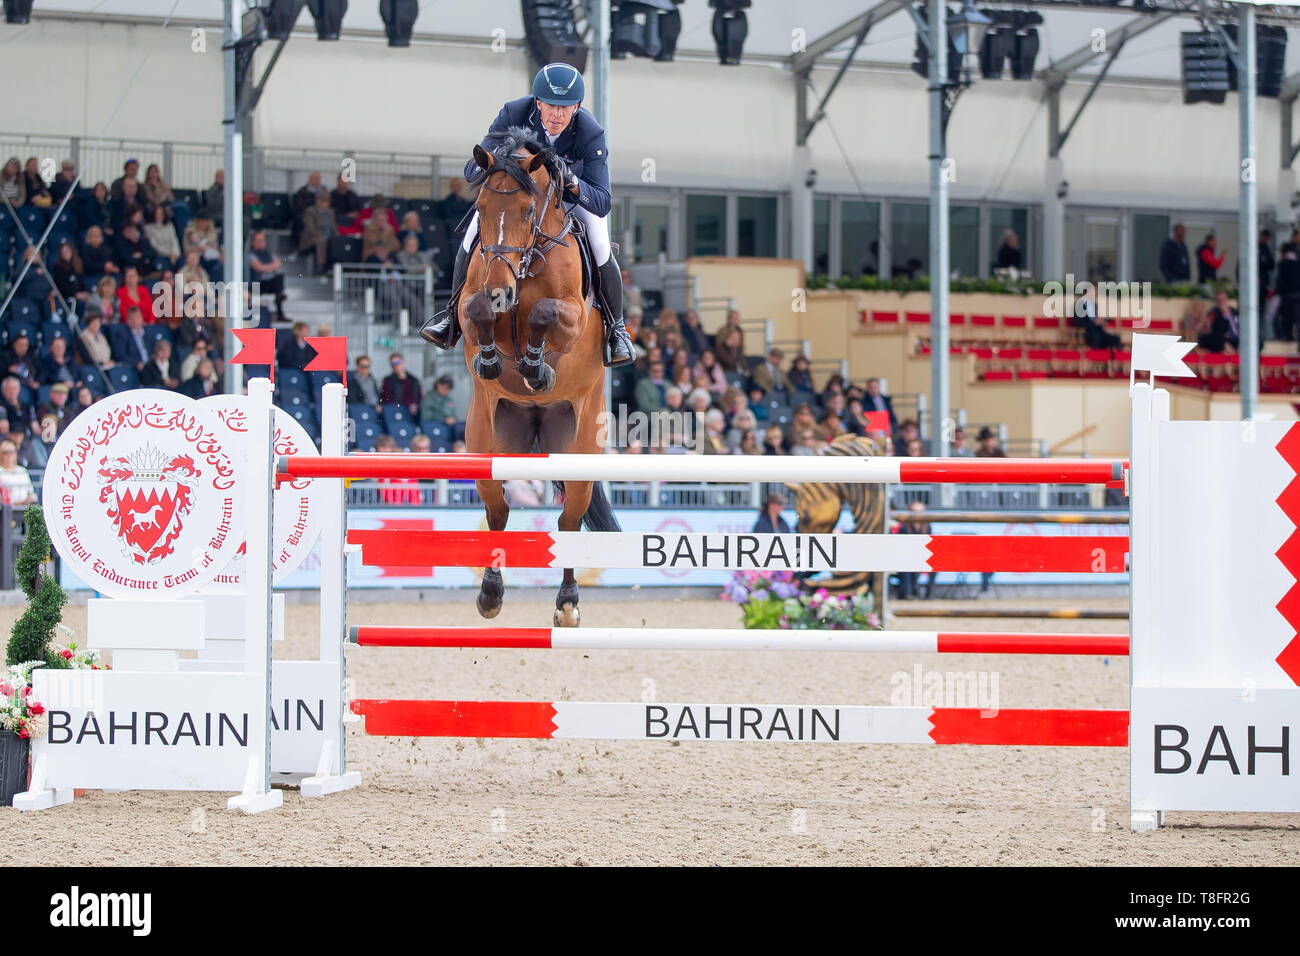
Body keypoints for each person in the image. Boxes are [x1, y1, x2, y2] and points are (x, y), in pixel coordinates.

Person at [420, 62, 634, 368]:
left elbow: (601, 201)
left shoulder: (589, 131)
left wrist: (571, 180)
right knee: (472, 232)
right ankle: (451, 316)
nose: (557, 115)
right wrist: (503, 162)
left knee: (600, 245)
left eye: (566, 107)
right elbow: (472, 170)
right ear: (538, 103)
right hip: (518, 201)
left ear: (577, 107)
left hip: (566, 202)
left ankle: (616, 329)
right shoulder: (513, 113)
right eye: (550, 105)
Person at [894, 501, 931, 600]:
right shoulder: (904, 527)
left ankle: (929, 594)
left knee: (934, 566)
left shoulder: (927, 527)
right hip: (906, 557)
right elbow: (900, 547)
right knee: (906, 565)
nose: (917, 514)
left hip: (922, 556)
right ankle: (908, 594)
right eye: (914, 511)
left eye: (920, 511)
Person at [247, 230, 287, 320]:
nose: (261, 243)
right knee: (277, 286)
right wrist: (270, 267)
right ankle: (279, 295)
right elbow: (258, 267)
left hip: (270, 282)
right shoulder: (250, 255)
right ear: (253, 242)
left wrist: (265, 267)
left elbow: (278, 264)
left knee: (279, 278)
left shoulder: (269, 254)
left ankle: (279, 299)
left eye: (263, 240)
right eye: (258, 241)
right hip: (258, 283)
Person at [299, 188, 337, 273]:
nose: (324, 203)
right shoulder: (310, 211)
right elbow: (310, 229)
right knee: (322, 240)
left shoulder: (330, 212)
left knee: (338, 240)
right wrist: (324, 236)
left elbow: (334, 227)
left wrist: (338, 236)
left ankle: (336, 266)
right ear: (317, 201)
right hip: (312, 239)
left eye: (326, 201)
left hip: (329, 237)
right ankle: (321, 267)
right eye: (322, 200)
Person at [380, 353, 421, 418]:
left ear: (403, 362)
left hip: (412, 414)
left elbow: (419, 397)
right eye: (393, 364)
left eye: (397, 362)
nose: (396, 366)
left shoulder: (413, 380)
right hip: (396, 413)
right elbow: (386, 399)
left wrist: (416, 405)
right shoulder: (388, 381)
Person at [144, 203, 181, 270]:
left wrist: (175, 253)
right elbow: (154, 245)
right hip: (160, 255)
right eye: (157, 213)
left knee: (182, 263)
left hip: (173, 254)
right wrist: (169, 254)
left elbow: (174, 241)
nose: (159, 216)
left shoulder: (169, 225)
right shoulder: (148, 228)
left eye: (161, 213)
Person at [0, 439, 36, 505]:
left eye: (12, 452)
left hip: (25, 507)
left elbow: (31, 492)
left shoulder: (22, 470)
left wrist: (29, 499)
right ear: (1, 454)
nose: (9, 455)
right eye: (6, 452)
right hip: (6, 510)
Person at [1276, 243, 1300, 343]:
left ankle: (1287, 336)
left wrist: (1279, 291)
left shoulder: (1283, 263)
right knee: (1297, 317)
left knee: (1287, 317)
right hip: (1298, 293)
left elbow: (1281, 280)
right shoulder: (1298, 263)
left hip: (1287, 294)